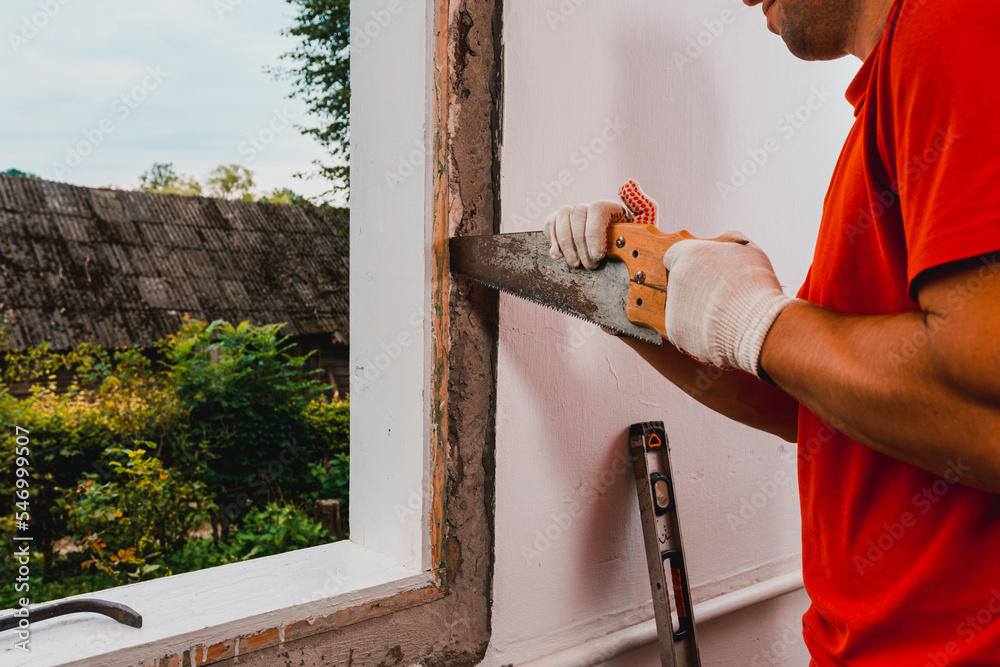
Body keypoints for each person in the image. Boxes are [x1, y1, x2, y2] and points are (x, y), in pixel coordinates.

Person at [543, 0, 1000, 664]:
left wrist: (758, 319)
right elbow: (818, 403)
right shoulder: (885, 99)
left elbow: (985, 408)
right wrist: (629, 294)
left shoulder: (958, 22)